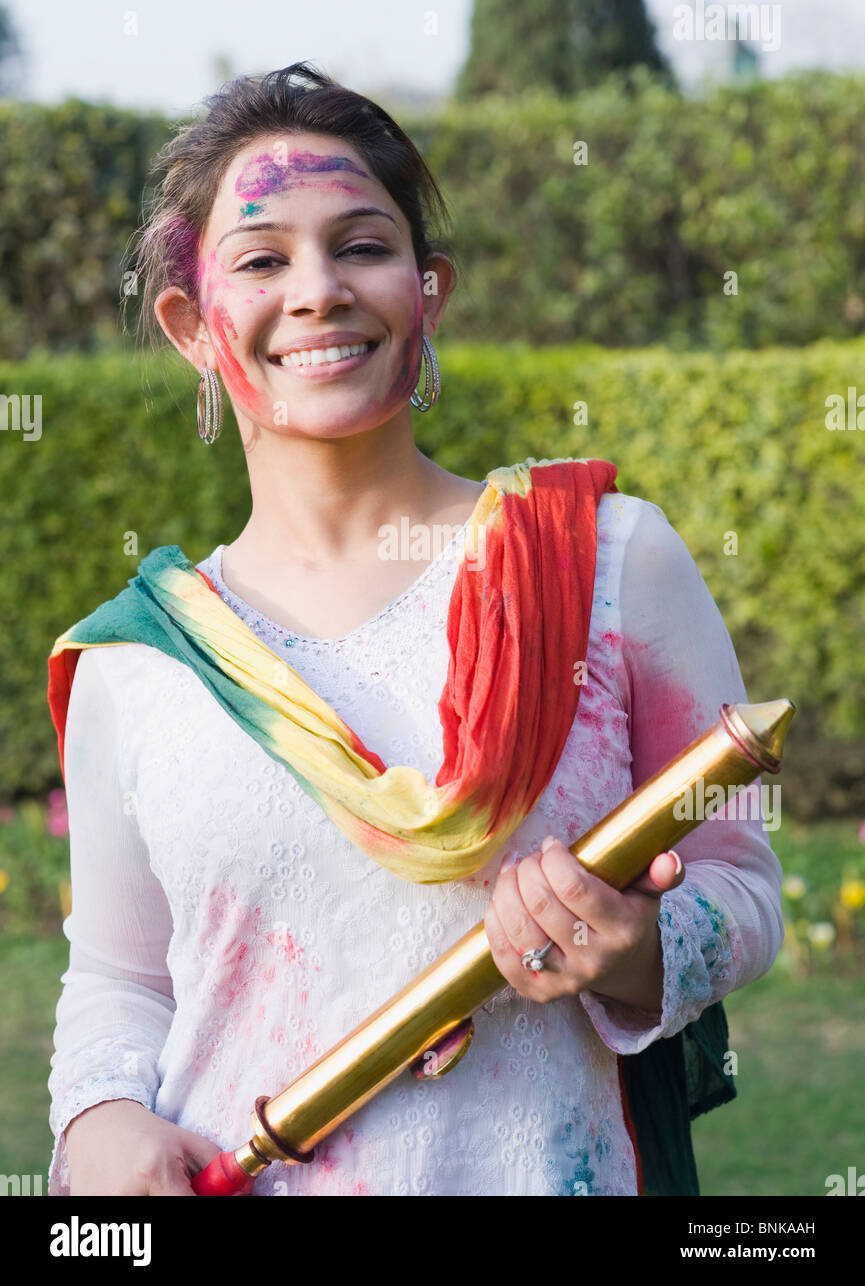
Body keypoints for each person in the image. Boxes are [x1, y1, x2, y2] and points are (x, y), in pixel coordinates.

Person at [46, 62, 783, 1197]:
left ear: (426, 289)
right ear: (192, 325)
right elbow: (119, 975)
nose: (318, 290)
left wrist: (636, 952)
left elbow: (739, 881)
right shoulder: (138, 662)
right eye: (260, 259)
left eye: (361, 246)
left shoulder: (604, 561)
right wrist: (96, 1121)